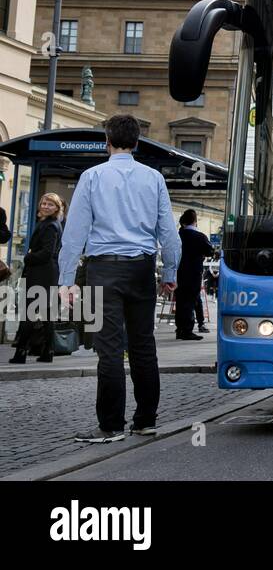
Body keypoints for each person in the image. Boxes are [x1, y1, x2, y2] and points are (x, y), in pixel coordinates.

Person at [58, 115, 182, 443]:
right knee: (143, 346)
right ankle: (146, 420)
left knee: (109, 349)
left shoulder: (92, 177)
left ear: (107, 142)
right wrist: (170, 272)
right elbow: (169, 233)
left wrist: (66, 279)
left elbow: (74, 234)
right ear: (137, 142)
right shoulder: (153, 178)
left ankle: (111, 425)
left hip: (103, 270)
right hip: (142, 268)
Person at [9, 193, 64, 364]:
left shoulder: (51, 226)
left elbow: (47, 253)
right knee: (47, 315)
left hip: (42, 275)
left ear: (57, 208)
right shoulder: (49, 224)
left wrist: (28, 257)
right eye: (44, 203)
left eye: (51, 204)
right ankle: (47, 352)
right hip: (46, 275)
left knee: (30, 314)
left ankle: (21, 353)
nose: (46, 206)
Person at [175, 209, 212, 340]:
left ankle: (179, 329)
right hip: (194, 273)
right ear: (195, 221)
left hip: (179, 272)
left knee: (180, 300)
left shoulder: (177, 235)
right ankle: (187, 330)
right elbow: (210, 251)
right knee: (191, 301)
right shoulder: (200, 236)